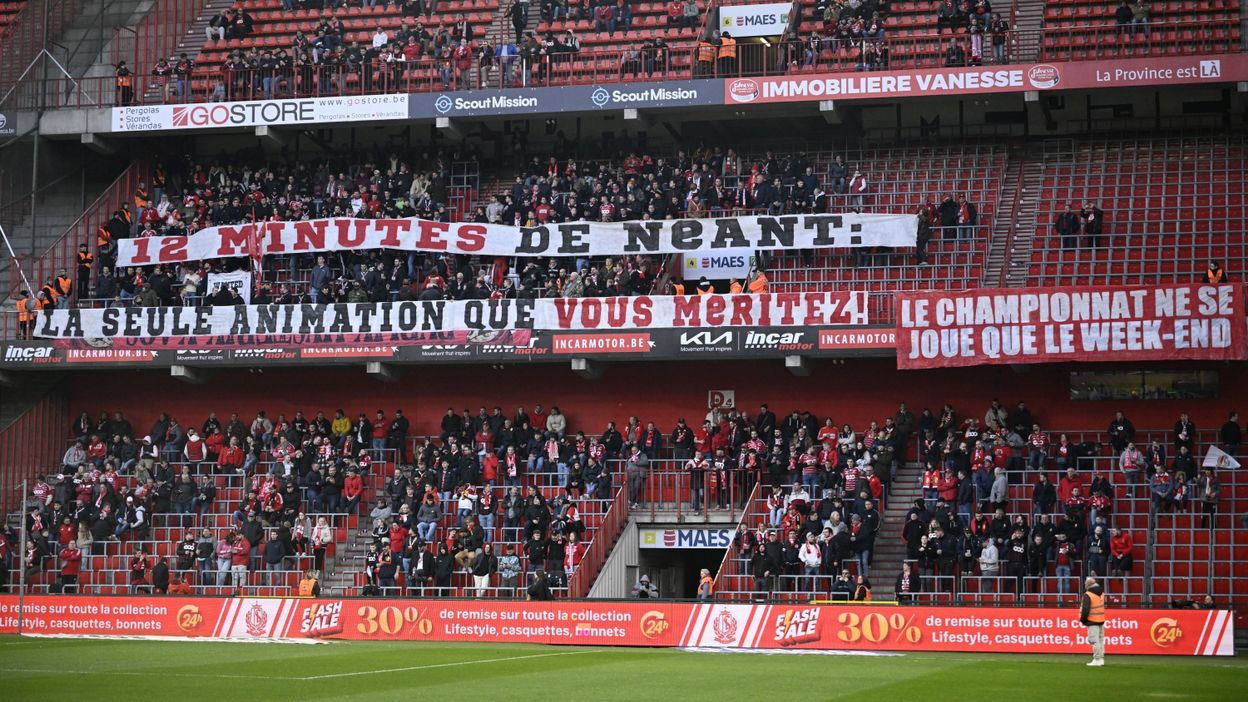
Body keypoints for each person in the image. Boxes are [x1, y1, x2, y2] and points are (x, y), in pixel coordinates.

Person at [1079, 575, 1106, 666]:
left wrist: (1083, 620)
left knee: (1094, 641)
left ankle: (1097, 659)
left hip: (1092, 621)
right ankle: (1101, 658)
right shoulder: (1101, 592)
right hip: (1101, 619)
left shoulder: (1088, 594)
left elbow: (1086, 608)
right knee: (1100, 640)